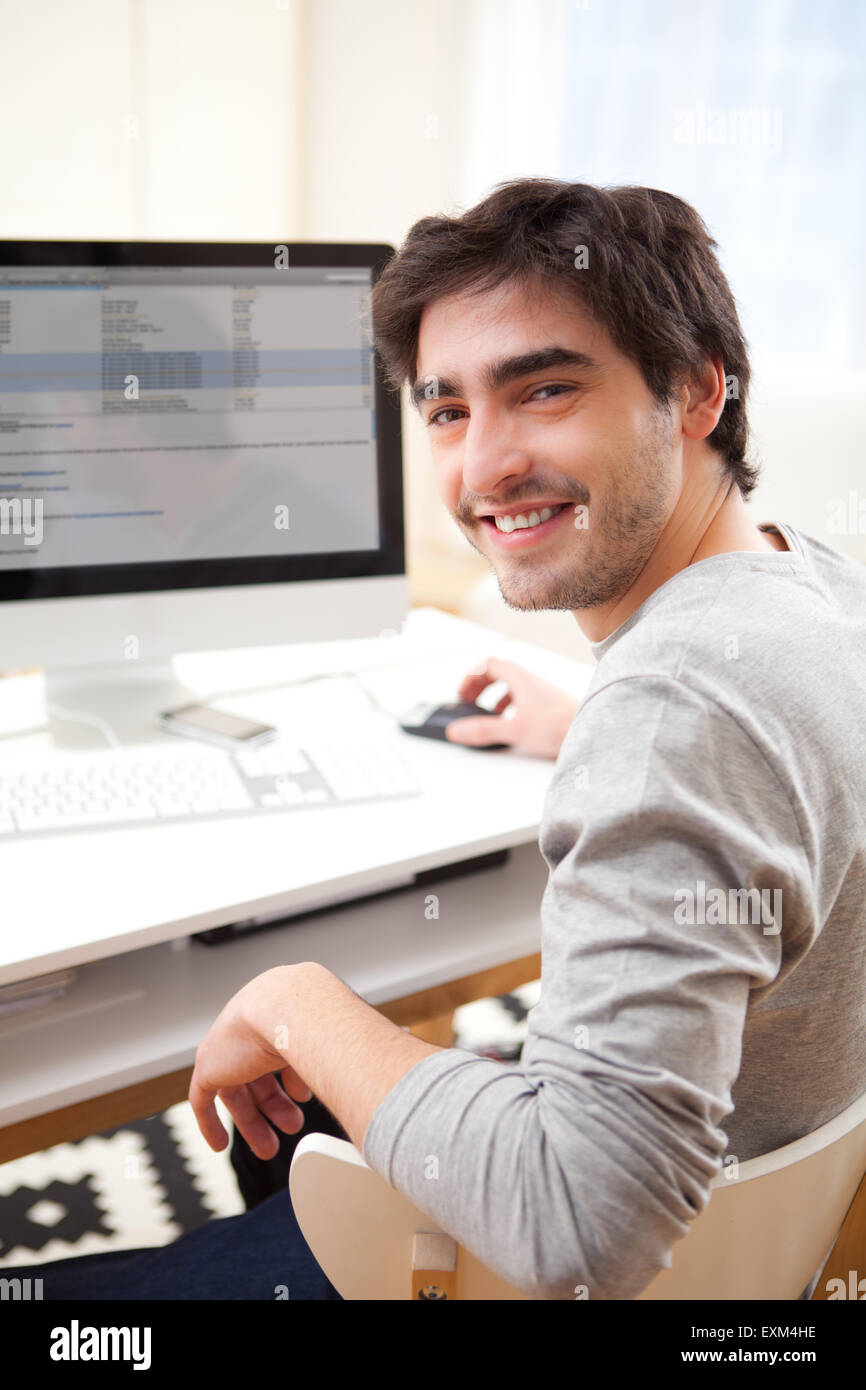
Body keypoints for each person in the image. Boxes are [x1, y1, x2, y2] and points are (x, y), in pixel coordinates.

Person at [7, 178, 865, 1300]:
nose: (483, 465)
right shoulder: (811, 588)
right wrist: (589, 735)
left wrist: (293, 997)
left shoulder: (674, 718)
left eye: (544, 388)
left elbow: (577, 1222)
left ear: (697, 390)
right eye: (446, 408)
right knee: (312, 1083)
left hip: (561, 1269)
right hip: (756, 1230)